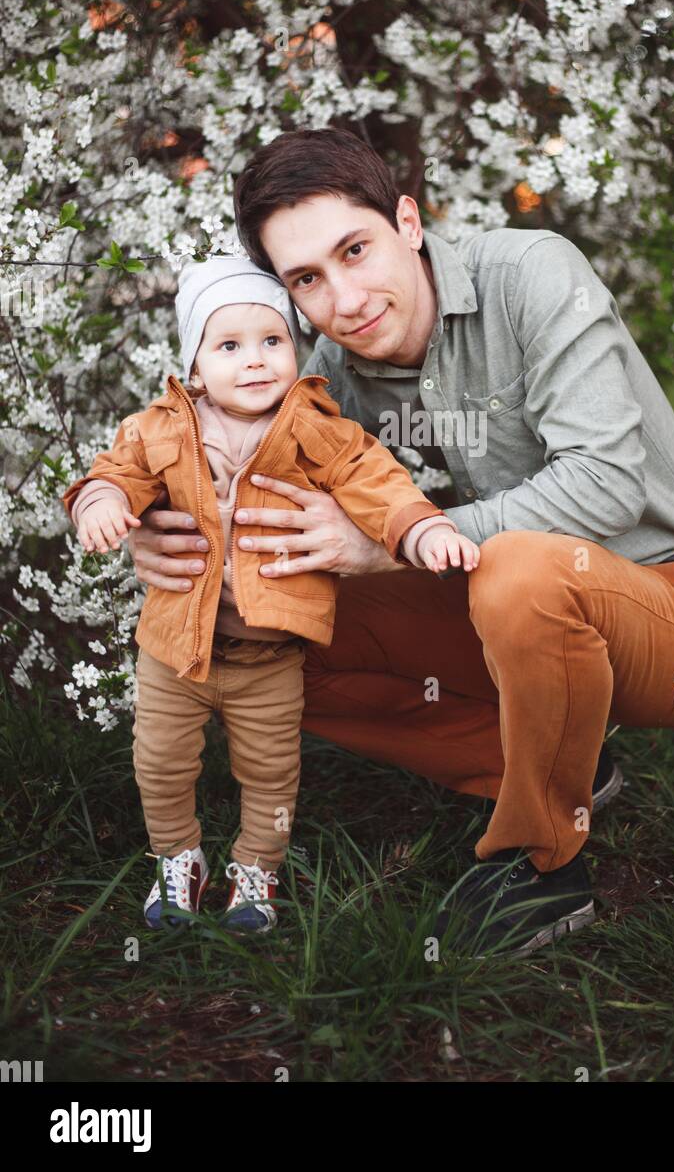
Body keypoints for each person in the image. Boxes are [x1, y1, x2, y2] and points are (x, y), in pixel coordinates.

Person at [127, 127, 674, 958]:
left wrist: (399, 545)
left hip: (672, 615)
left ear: (408, 223)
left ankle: (539, 857)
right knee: (271, 622)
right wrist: (165, 543)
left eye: (355, 250)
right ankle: (551, 764)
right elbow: (254, 511)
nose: (344, 298)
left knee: (519, 567)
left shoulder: (531, 273)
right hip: (507, 604)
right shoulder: (331, 379)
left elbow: (605, 480)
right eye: (307, 279)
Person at [60, 254, 478, 934]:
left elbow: (376, 480)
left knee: (270, 772)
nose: (254, 360)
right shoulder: (163, 427)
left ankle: (256, 869)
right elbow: (116, 473)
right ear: (195, 366)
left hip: (269, 658)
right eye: (229, 346)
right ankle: (178, 857)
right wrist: (99, 504)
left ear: (295, 348)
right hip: (176, 650)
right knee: (160, 763)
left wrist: (421, 528)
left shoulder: (312, 426)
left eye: (272, 341)